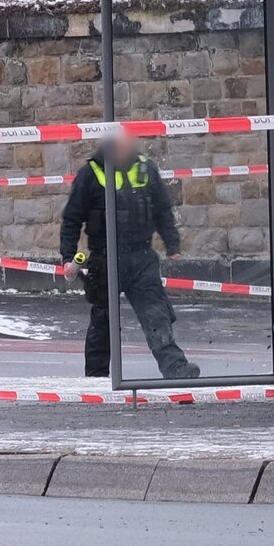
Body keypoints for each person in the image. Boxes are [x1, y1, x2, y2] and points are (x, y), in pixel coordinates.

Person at [59, 135, 197, 379]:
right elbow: (72, 219)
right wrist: (68, 257)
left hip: (141, 256)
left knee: (156, 313)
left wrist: (171, 243)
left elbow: (162, 209)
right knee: (103, 320)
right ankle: (96, 376)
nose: (126, 148)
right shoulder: (91, 173)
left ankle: (176, 369)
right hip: (105, 258)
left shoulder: (145, 168)